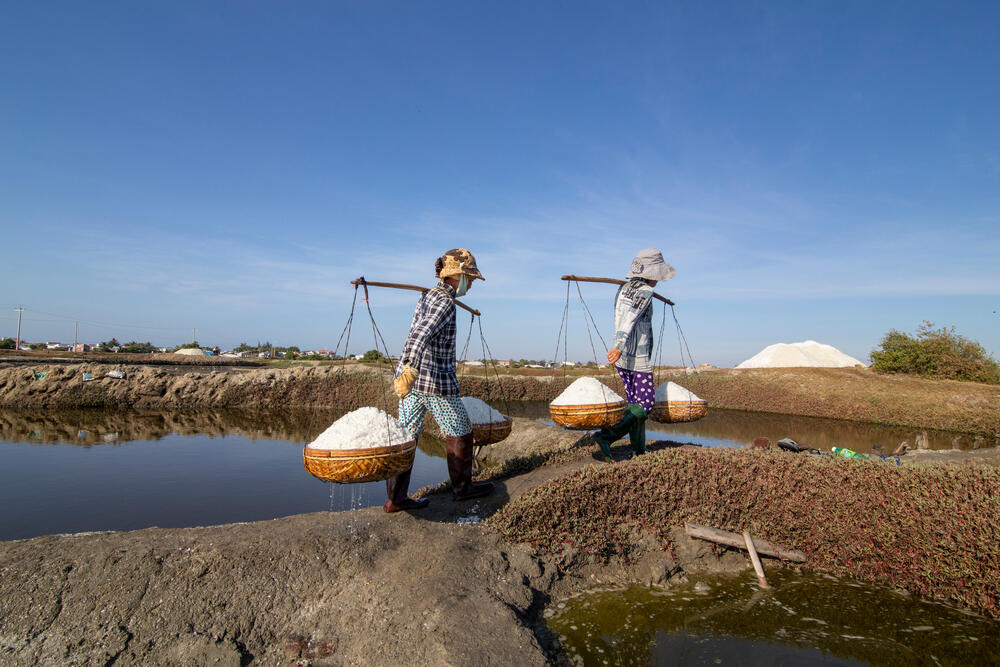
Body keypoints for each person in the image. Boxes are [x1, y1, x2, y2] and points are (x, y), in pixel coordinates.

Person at [384, 249, 495, 512]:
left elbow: (416, 331)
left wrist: (406, 372)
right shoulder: (444, 301)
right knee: (460, 431)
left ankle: (395, 499)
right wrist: (410, 366)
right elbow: (421, 333)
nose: (472, 284)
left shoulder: (428, 295)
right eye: (471, 278)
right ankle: (463, 489)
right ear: (458, 276)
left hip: (411, 385)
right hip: (435, 383)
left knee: (407, 437)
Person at [594, 248, 676, 461]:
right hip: (636, 356)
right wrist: (619, 344)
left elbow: (620, 316)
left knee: (634, 405)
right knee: (646, 404)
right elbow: (629, 317)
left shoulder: (623, 289)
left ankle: (638, 450)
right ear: (652, 273)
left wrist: (618, 347)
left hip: (622, 358)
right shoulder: (646, 292)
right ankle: (606, 436)